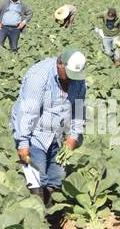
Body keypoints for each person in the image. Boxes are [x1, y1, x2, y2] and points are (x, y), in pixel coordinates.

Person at [10, 48, 87, 207]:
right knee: (36, 178)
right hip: (35, 134)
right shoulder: (39, 76)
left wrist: (73, 136)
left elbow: (78, 109)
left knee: (56, 178)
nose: (73, 80)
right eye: (70, 75)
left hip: (57, 136)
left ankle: (51, 215)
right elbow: (28, 112)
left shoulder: (78, 80)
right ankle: (37, 217)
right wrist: (23, 143)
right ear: (60, 65)